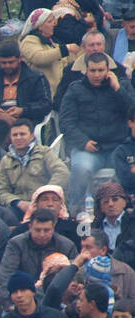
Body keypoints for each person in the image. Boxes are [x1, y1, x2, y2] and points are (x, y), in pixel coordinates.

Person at [59, 53, 135, 215]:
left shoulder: (121, 86)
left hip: (118, 147)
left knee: (125, 172)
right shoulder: (75, 89)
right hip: (87, 148)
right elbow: (66, 122)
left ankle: (127, 210)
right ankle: (75, 212)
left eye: (101, 70)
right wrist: (83, 142)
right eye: (92, 70)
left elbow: (132, 113)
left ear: (108, 70)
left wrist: (118, 90)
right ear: (86, 70)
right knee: (81, 169)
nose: (96, 74)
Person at [0, 208, 77, 308]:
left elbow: (75, 277)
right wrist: (11, 306)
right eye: (37, 230)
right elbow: (6, 276)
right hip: (21, 294)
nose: (42, 234)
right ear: (29, 227)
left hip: (54, 297)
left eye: (46, 230)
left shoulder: (67, 246)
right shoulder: (16, 244)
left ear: (54, 227)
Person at [0, 40, 53, 147]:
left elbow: (46, 104)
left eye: (11, 62)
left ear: (20, 59)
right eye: (3, 63)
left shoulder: (36, 78)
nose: (7, 66)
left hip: (25, 119)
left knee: (4, 124)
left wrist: (23, 110)